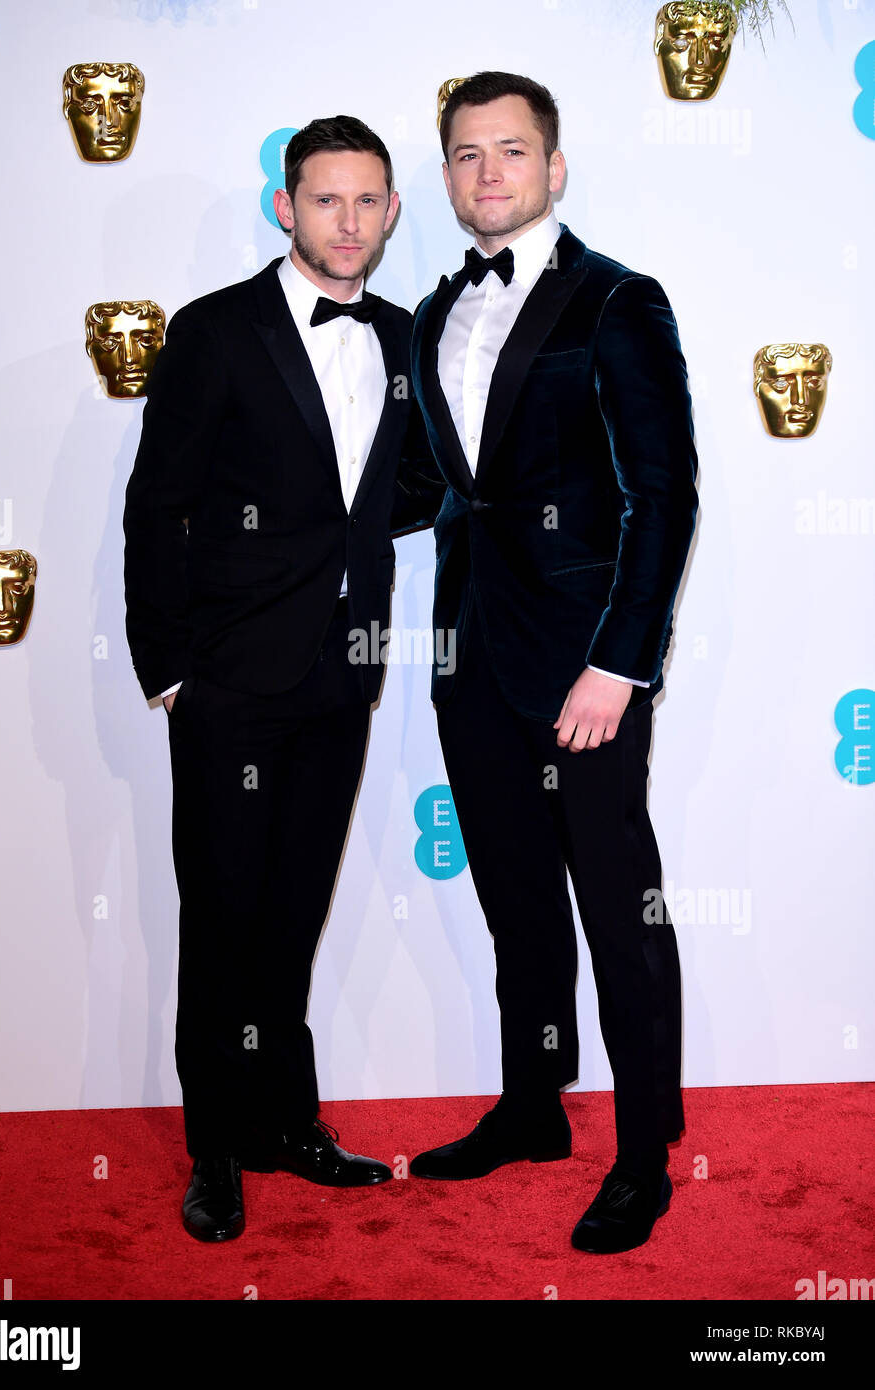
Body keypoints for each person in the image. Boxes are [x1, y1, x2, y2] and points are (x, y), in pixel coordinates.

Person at [123, 115, 441, 1243]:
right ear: (285, 206)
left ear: (390, 212)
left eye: (367, 202)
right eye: (325, 201)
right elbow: (157, 507)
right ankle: (216, 1152)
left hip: (340, 675)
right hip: (226, 683)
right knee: (221, 921)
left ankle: (286, 1124)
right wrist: (168, 670)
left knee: (292, 914)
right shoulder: (214, 332)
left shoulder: (409, 338)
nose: (347, 222)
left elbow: (406, 489)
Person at [409, 71, 698, 1254]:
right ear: (446, 178)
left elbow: (662, 496)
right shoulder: (431, 314)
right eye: (468, 156)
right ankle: (534, 1108)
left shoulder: (617, 301)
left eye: (511, 152)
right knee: (515, 901)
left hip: (584, 671)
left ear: (554, 167)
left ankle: (642, 1151)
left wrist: (618, 665)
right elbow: (443, 489)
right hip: (470, 655)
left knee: (618, 908)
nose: (489, 175)